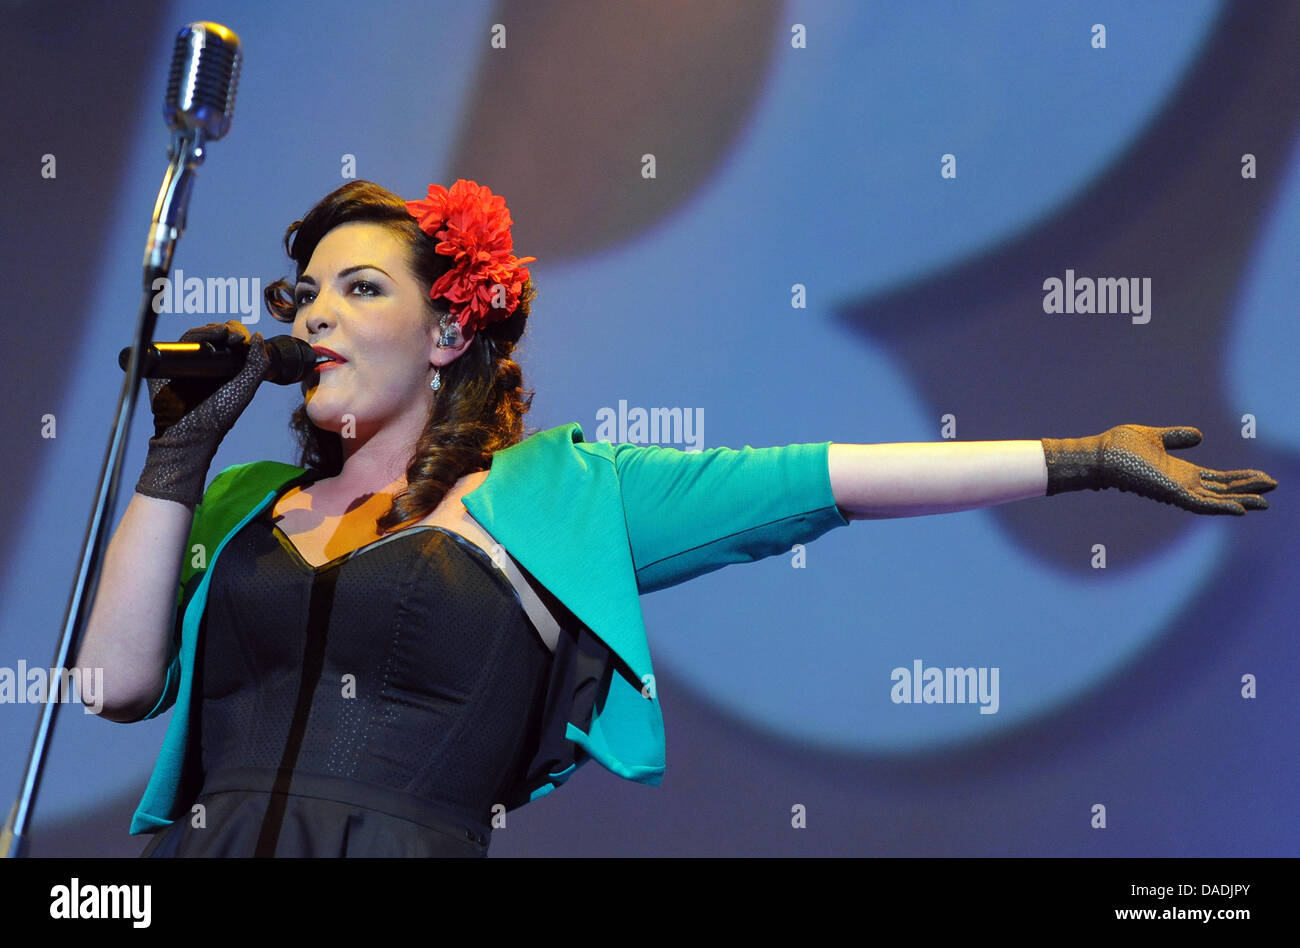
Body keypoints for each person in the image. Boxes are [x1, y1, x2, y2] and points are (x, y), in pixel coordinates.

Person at [76, 179, 1278, 858]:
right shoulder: (239, 499)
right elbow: (114, 687)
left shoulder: (557, 494)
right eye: (304, 295)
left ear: (448, 332)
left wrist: (1080, 460)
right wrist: (174, 458)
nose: (314, 316)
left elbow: (827, 477)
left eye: (359, 288)